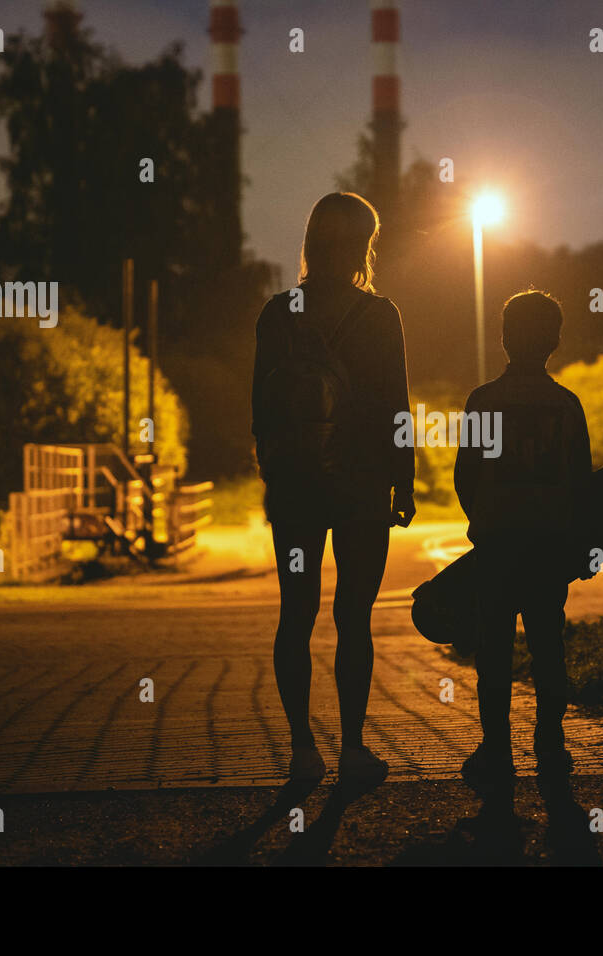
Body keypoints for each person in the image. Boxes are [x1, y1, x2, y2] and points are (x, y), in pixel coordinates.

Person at [251, 192, 415, 786]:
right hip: (362, 487)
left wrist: (275, 476)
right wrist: (404, 481)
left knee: (295, 615)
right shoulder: (380, 316)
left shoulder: (278, 313)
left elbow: (260, 411)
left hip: (296, 487)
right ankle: (352, 749)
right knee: (354, 617)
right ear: (364, 244)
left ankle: (302, 751)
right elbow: (396, 406)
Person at [453, 290, 594, 804]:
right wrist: (580, 545)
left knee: (493, 650)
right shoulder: (567, 405)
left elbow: (465, 475)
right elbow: (582, 485)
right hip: (548, 548)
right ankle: (550, 746)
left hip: (497, 546)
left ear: (504, 337)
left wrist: (484, 519)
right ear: (555, 340)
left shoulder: (483, 401)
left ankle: (496, 750)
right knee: (548, 647)